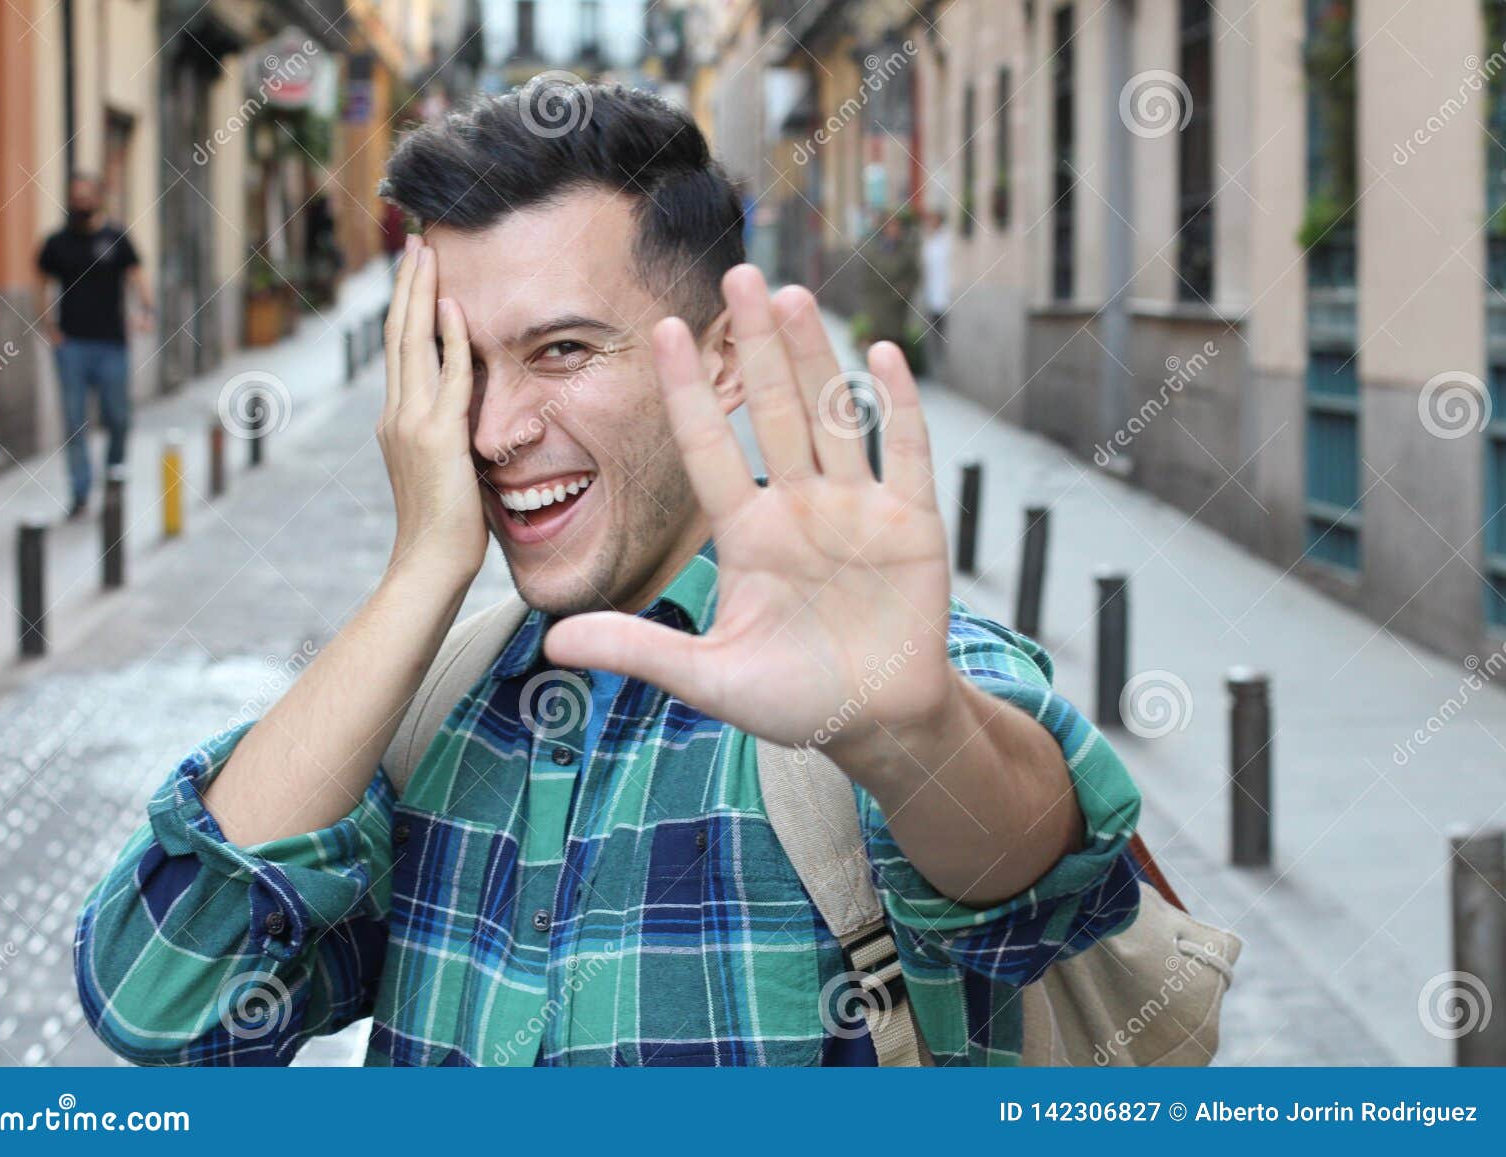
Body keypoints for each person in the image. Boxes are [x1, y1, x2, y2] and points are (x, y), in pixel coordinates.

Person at [75, 85, 1141, 1067]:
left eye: (563, 350)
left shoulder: (856, 654)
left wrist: (908, 735)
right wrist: (418, 578)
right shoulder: (429, 707)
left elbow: (1038, 872)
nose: (494, 431)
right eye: (459, 365)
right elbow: (160, 999)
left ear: (722, 358)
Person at [37, 175, 153, 519]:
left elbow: (137, 277)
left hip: (112, 345)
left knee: (118, 418)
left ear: (99, 199)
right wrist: (49, 328)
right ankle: (81, 491)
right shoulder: (56, 243)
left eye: (87, 196)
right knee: (75, 422)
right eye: (76, 197)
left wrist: (146, 311)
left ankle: (114, 477)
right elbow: (40, 285)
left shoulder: (116, 238)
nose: (81, 203)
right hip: (71, 346)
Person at [857, 210, 920, 350]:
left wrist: (904, 289)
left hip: (897, 308)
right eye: (890, 226)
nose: (894, 230)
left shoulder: (907, 250)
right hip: (877, 305)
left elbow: (914, 275)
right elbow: (867, 278)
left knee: (896, 346)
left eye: (897, 227)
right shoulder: (873, 250)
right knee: (878, 346)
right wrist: (869, 305)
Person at [918, 209, 953, 381]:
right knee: (933, 331)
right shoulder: (929, 242)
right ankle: (935, 369)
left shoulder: (947, 240)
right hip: (932, 295)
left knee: (942, 331)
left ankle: (943, 369)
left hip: (944, 295)